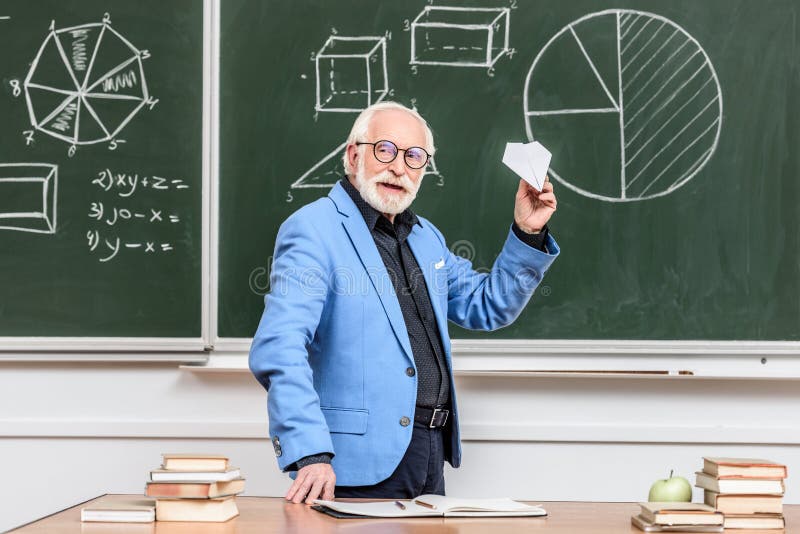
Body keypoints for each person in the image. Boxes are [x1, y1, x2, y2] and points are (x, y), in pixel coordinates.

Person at [249, 101, 559, 504]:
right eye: (385, 150)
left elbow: (489, 304)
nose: (399, 167)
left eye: (414, 157)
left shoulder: (426, 237)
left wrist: (526, 233)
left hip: (430, 459)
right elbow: (279, 347)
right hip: (351, 464)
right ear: (353, 154)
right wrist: (309, 451)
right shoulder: (314, 229)